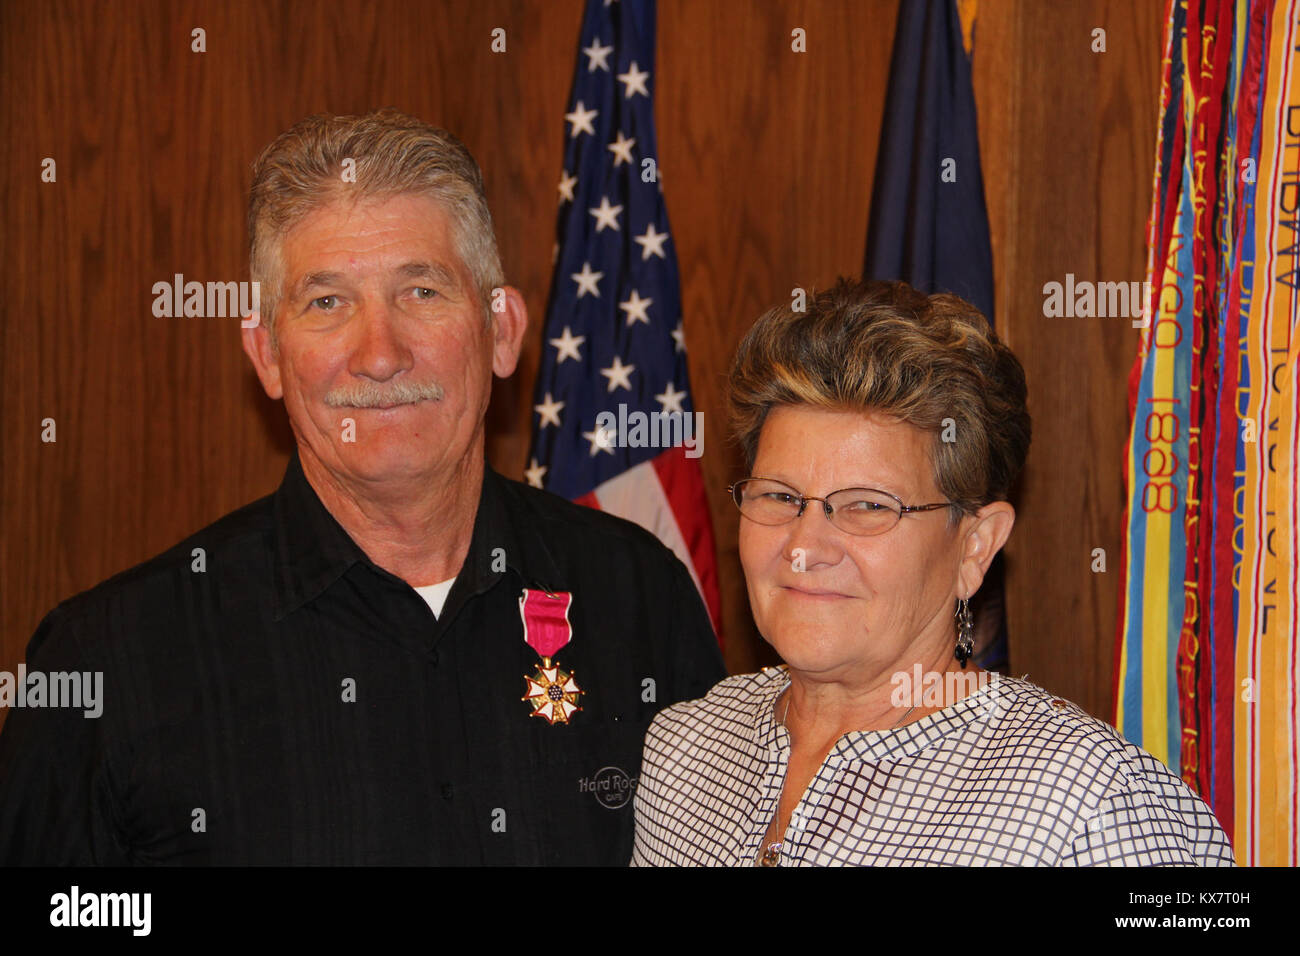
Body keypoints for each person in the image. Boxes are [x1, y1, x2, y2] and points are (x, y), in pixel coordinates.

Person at [0, 109, 724, 865]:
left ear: (501, 331)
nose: (380, 356)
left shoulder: (643, 599)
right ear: (267, 355)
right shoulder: (109, 662)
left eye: (421, 291)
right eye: (327, 303)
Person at [630, 278, 1235, 866]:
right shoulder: (684, 749)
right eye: (780, 496)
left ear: (974, 546)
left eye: (867, 505)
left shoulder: (1085, 802)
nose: (804, 546)